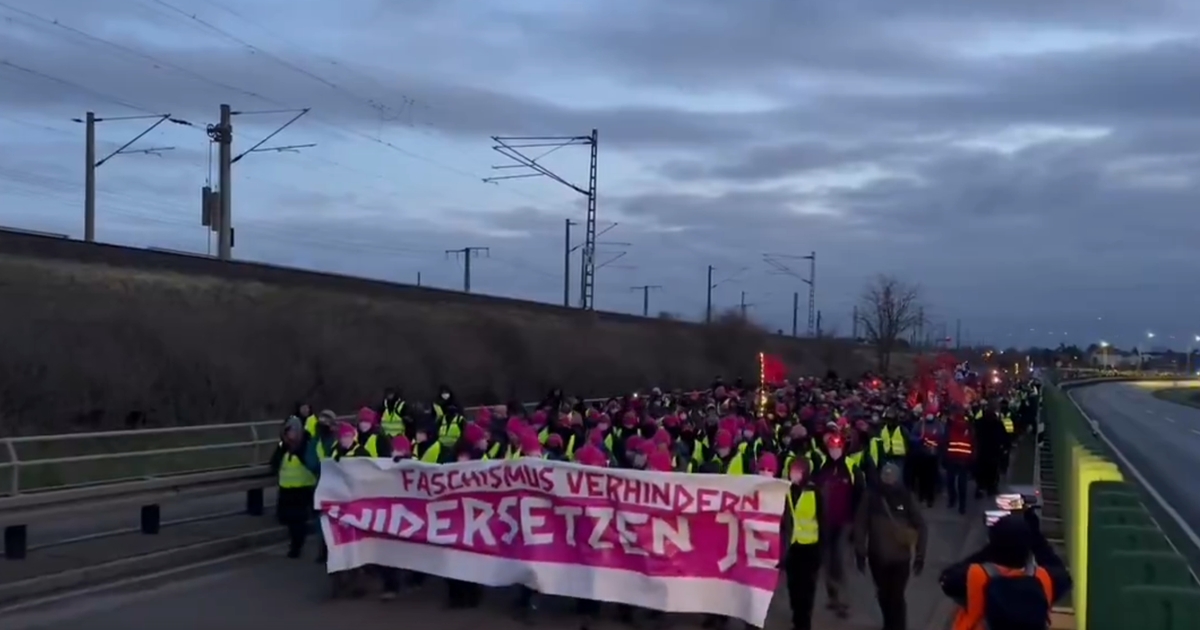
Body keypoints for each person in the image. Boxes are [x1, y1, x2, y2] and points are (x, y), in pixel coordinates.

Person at [942, 512, 1072, 630]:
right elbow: (1061, 572)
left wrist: (990, 549)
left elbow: (946, 578)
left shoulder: (974, 576)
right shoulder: (1045, 580)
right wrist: (1036, 537)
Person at [854, 461, 928, 630]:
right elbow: (861, 522)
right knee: (883, 595)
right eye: (885, 475)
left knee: (896, 597)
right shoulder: (871, 496)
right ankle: (889, 625)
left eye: (891, 475)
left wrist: (920, 555)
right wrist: (860, 550)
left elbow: (921, 525)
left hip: (899, 559)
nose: (888, 478)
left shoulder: (906, 497)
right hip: (877, 558)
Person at [777, 458, 823, 630]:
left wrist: (822, 550)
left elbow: (822, 521)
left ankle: (804, 624)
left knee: (807, 590)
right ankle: (797, 620)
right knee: (793, 588)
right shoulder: (786, 490)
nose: (794, 474)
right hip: (793, 548)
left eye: (798, 470)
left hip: (810, 548)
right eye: (792, 470)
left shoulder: (815, 493)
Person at [269, 417, 319, 559]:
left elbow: (311, 463)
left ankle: (297, 546)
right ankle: (295, 541)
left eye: (290, 431)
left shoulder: (305, 445)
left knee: (298, 520)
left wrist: (299, 454)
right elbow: (274, 462)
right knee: (286, 519)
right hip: (286, 487)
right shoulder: (283, 446)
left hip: (302, 487)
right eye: (286, 432)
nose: (289, 435)